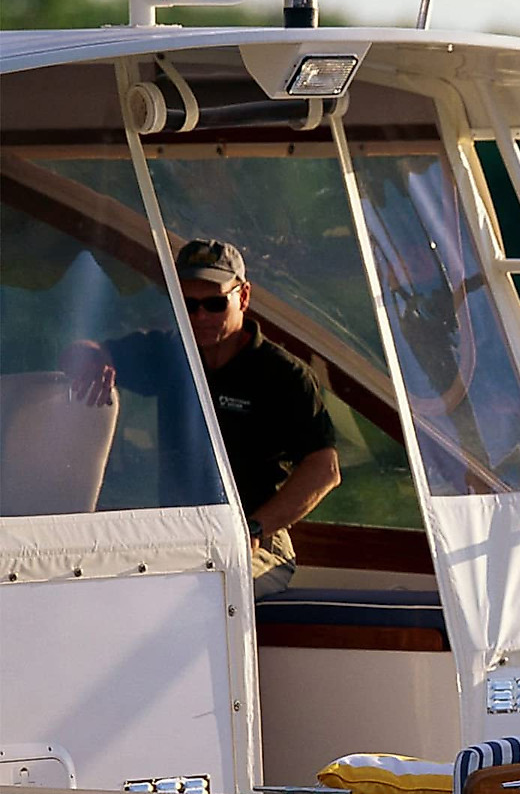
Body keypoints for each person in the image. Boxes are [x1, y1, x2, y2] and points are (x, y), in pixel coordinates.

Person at [62, 239, 340, 597]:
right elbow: (79, 351)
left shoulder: (282, 374)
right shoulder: (167, 354)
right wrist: (93, 359)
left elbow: (325, 467)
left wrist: (253, 529)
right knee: (104, 591)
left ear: (243, 297)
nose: (201, 317)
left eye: (214, 303)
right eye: (188, 305)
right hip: (178, 540)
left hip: (257, 546)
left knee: (197, 593)